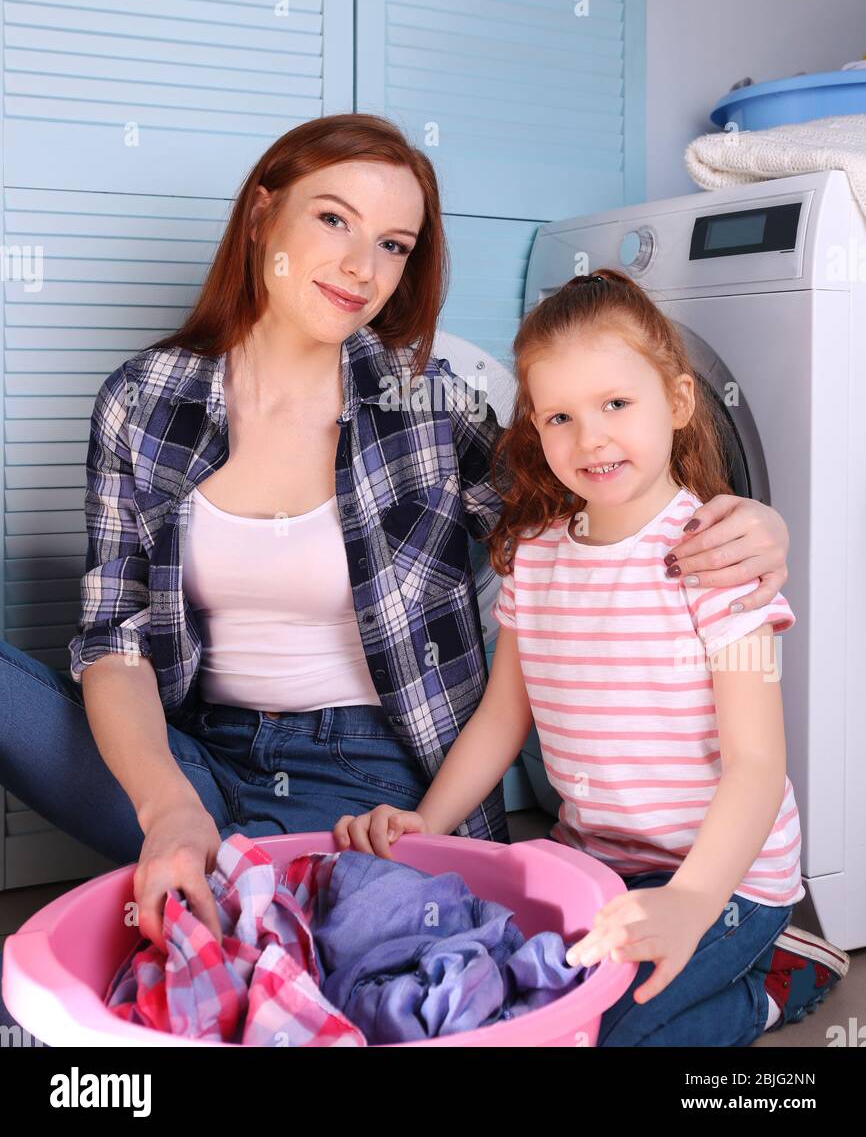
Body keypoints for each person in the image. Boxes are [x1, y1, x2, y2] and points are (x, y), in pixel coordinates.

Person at [0, 117, 790, 952]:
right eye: (333, 220)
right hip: (186, 754)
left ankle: (264, 899)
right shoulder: (146, 400)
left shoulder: (433, 411)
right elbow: (116, 641)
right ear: (263, 215)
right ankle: (220, 866)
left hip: (359, 776)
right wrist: (167, 810)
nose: (359, 267)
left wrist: (752, 519)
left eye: (394, 244)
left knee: (304, 965)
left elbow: (599, 494)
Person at [332, 268, 849, 1046]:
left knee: (600, 1036)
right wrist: (425, 827)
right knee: (512, 1002)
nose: (591, 437)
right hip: (593, 862)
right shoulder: (536, 557)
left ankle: (777, 980)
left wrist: (692, 900)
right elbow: (503, 716)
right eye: (561, 416)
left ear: (676, 402)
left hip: (729, 879)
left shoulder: (714, 560)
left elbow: (755, 764)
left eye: (616, 404)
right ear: (535, 429)